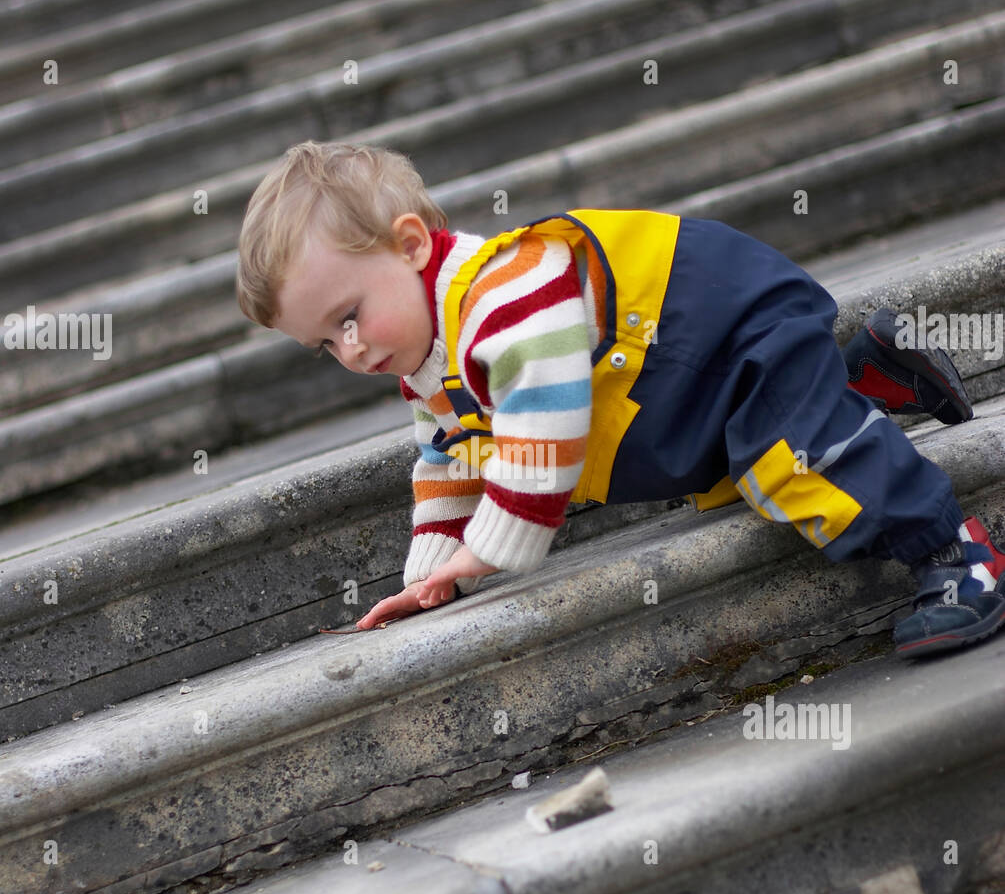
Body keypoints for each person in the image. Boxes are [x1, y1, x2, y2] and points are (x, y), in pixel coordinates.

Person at [236, 141, 1005, 659]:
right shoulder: (423, 356)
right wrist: (432, 576)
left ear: (410, 247)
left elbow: (543, 413)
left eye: (348, 318)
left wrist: (494, 546)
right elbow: (450, 456)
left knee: (786, 466)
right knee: (736, 464)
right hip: (685, 389)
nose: (351, 351)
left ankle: (953, 549)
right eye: (324, 346)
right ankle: (872, 372)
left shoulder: (502, 293)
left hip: (733, 326)